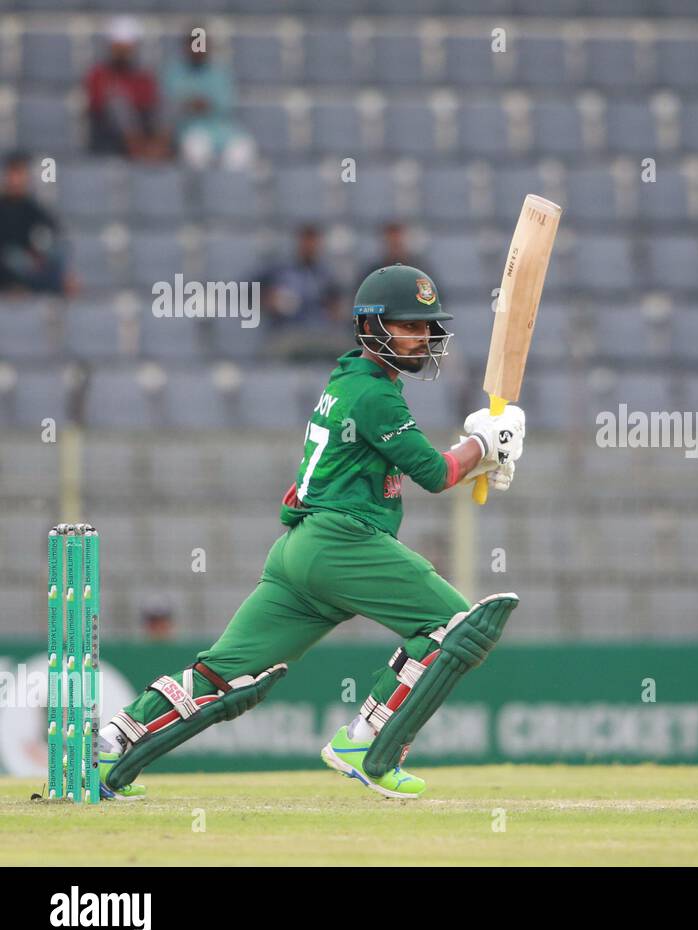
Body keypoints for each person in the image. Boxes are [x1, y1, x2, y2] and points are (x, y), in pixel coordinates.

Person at [95, 264, 525, 801]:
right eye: (407, 326)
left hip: (300, 551)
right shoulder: (374, 395)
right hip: (342, 541)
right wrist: (483, 444)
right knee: (456, 628)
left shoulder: (349, 377)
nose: (422, 338)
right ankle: (367, 745)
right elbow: (436, 475)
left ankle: (110, 744)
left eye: (426, 327)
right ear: (371, 328)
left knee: (226, 676)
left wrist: (482, 456)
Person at [162, 29, 255, 171]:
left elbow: (224, 103)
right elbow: (175, 103)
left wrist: (201, 103)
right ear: (187, 46)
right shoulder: (174, 72)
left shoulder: (219, 72)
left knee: (242, 149)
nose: (198, 49)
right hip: (190, 130)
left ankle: (228, 190)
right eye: (195, 44)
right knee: (197, 150)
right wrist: (195, 103)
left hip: (222, 130)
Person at [257, 225, 348, 360]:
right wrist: (271, 300)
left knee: (348, 353)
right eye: (306, 241)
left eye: (313, 241)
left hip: (322, 333)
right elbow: (252, 291)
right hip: (289, 331)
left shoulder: (327, 274)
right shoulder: (280, 270)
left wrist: (334, 311)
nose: (309, 246)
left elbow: (338, 308)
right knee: (276, 351)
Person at [84, 17, 169, 160]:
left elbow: (148, 102)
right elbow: (99, 103)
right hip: (108, 133)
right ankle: (139, 152)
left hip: (143, 126)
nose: (123, 52)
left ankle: (157, 150)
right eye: (119, 47)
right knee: (118, 105)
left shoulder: (143, 75)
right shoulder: (98, 74)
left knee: (166, 104)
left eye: (127, 47)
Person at [0, 152, 74, 295]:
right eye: (13, 173)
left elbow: (51, 233)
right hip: (8, 267)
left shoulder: (33, 208)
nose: (17, 180)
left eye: (21, 173)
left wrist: (38, 255)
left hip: (32, 267)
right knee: (14, 259)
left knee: (58, 254)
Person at [358, 222, 417, 289]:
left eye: (397, 244)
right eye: (392, 244)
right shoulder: (373, 272)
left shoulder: (417, 268)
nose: (395, 249)